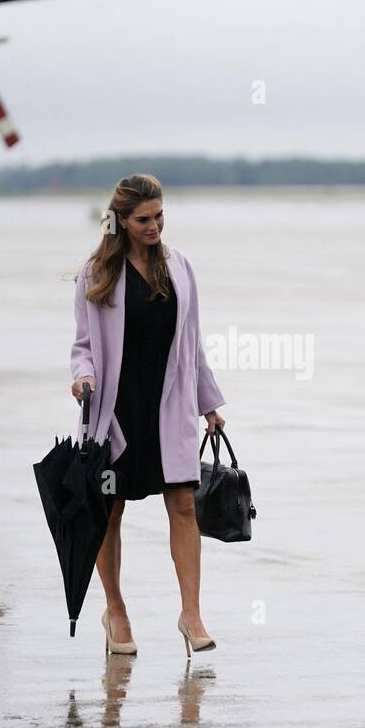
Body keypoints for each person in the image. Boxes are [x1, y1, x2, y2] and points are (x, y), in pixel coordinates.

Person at [70, 174, 226, 658]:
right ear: (120, 221)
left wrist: (208, 402)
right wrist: (81, 377)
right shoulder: (96, 273)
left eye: (160, 216)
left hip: (169, 404)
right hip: (115, 411)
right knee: (109, 512)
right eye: (144, 219)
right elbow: (82, 345)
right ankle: (115, 610)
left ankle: (191, 614)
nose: (155, 225)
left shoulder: (180, 268)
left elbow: (192, 343)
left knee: (183, 505)